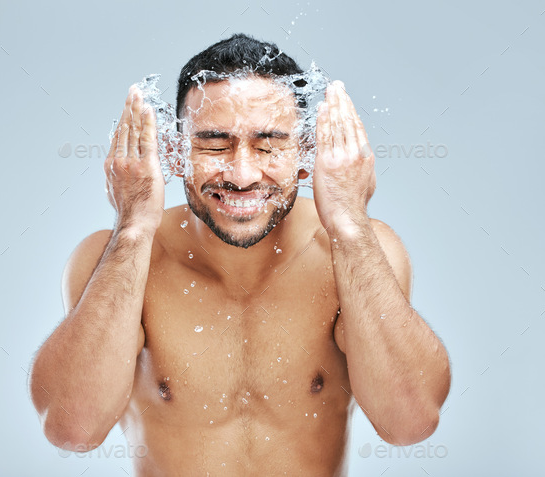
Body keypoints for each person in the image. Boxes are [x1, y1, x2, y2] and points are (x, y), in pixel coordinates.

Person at [29, 33, 451, 476]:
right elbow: (72, 428)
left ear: (307, 152)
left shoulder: (359, 254)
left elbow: (410, 422)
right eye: (214, 143)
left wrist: (349, 224)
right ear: (174, 153)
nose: (243, 175)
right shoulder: (115, 260)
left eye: (269, 143)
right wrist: (132, 230)